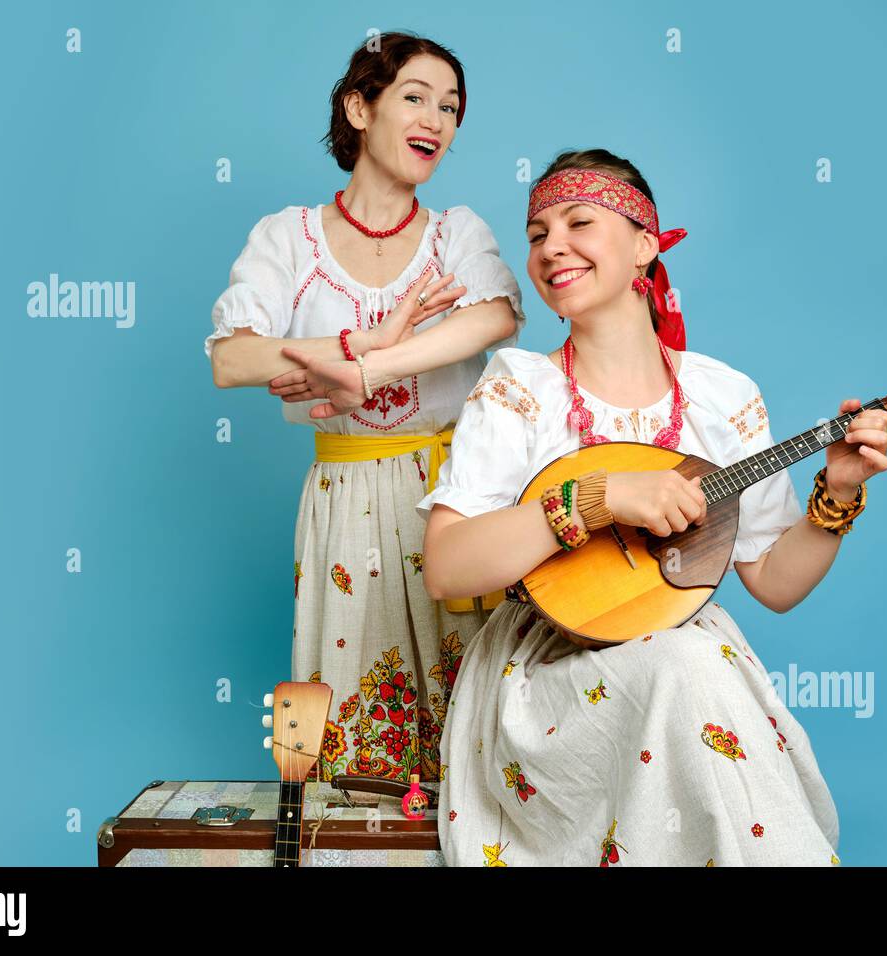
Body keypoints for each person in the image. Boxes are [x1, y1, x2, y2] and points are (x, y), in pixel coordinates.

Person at [416, 149, 887, 866]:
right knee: (685, 670)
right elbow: (448, 569)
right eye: (537, 232)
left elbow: (774, 581)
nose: (552, 248)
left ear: (645, 245)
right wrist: (599, 498)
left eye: (579, 222)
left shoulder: (721, 396)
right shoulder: (519, 387)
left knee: (686, 665)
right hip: (551, 675)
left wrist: (839, 493)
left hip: (685, 663)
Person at [206, 33, 525, 783]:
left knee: (476, 732)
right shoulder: (287, 238)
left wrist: (353, 366)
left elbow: (496, 318)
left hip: (456, 496)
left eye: (450, 108)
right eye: (415, 97)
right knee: (355, 750)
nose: (437, 121)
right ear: (359, 107)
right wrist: (358, 340)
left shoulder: (458, 234)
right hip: (345, 504)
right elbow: (230, 357)